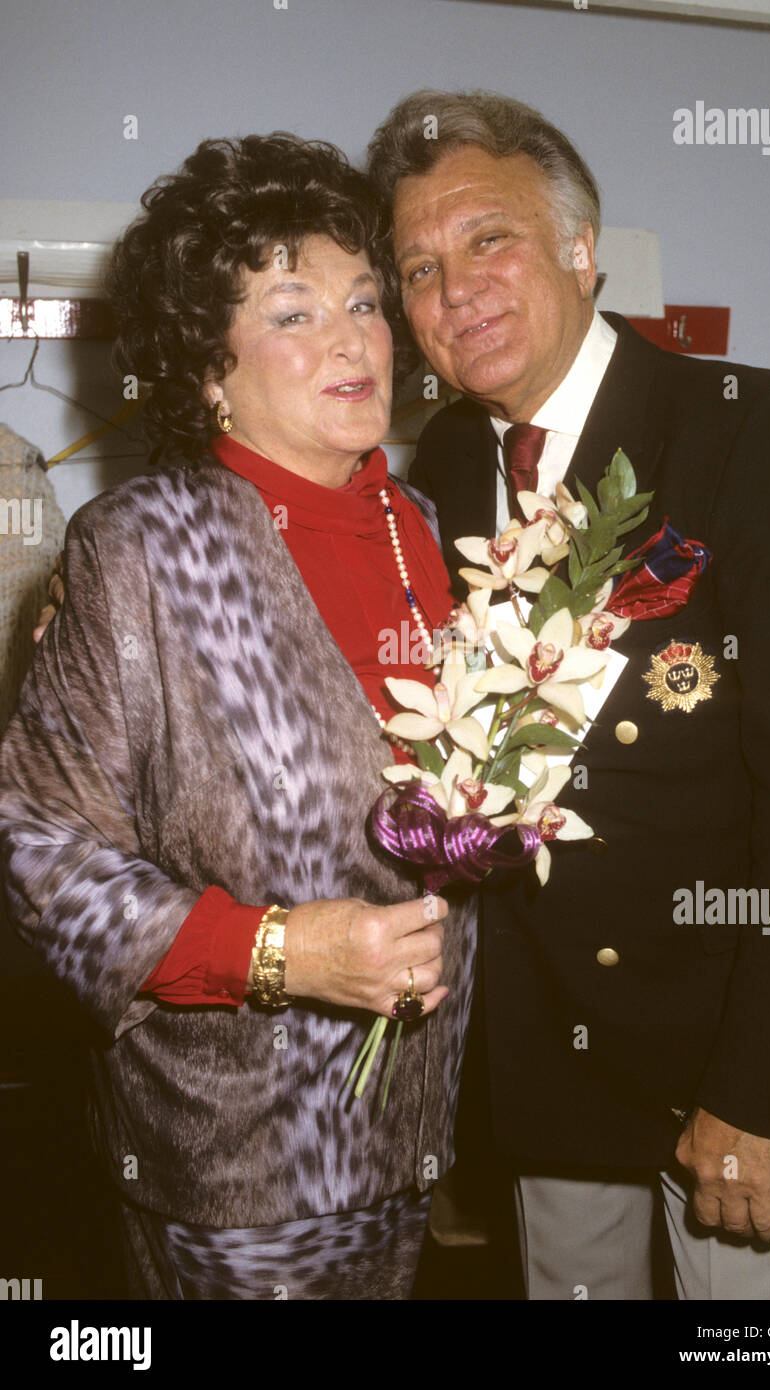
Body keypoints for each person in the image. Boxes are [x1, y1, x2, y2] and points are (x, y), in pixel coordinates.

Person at [365, 89, 770, 1300]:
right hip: (552, 1061)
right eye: (419, 269)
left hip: (724, 1051)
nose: (454, 292)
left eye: (490, 240)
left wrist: (765, 1085)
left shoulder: (748, 428)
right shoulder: (441, 462)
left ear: (582, 249)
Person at [0, 132, 476, 1301]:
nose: (354, 336)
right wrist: (288, 953)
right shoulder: (142, 547)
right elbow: (39, 855)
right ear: (207, 368)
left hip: (413, 1124)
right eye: (293, 311)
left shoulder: (425, 525)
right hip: (239, 1154)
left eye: (364, 301)